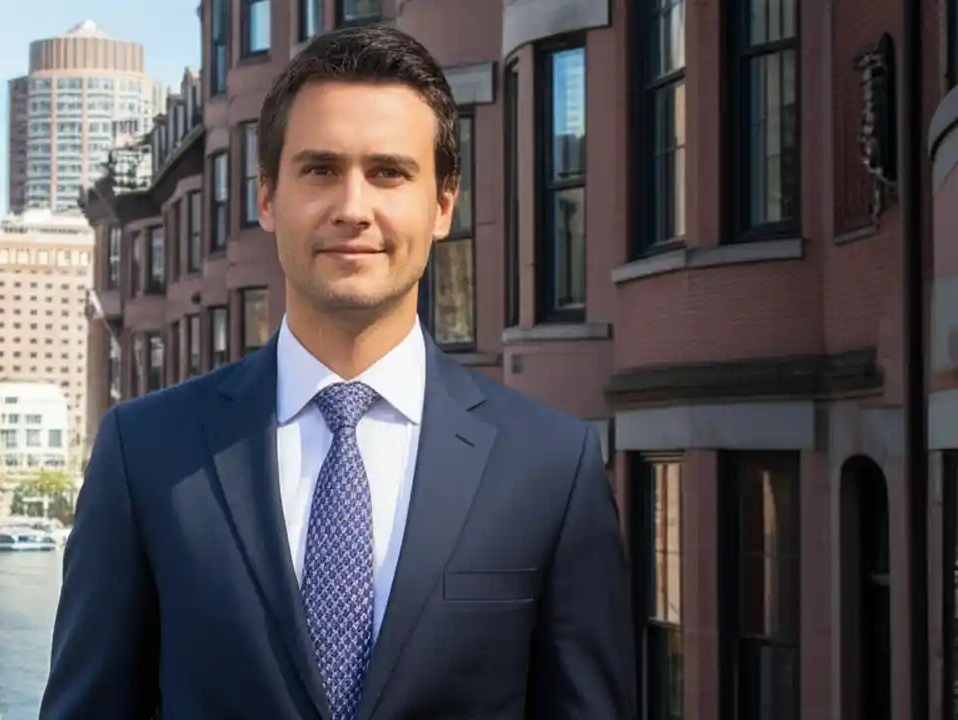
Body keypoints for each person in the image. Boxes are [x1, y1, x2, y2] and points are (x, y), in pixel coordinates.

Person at [40, 23, 635, 720]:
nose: (353, 208)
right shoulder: (144, 455)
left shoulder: (550, 468)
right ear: (268, 198)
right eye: (320, 169)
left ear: (443, 205)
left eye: (389, 172)